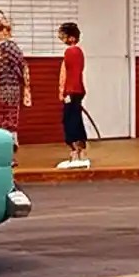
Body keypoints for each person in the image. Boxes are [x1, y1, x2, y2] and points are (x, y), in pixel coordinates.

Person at [0, 11, 30, 163]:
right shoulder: (5, 47)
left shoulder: (7, 47)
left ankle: (10, 152)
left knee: (7, 119)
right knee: (7, 119)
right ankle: (9, 152)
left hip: (8, 86)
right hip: (8, 86)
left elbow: (20, 66)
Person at [57, 21, 90, 169]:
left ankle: (76, 151)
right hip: (76, 90)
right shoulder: (77, 52)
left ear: (71, 37)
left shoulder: (71, 52)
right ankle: (79, 150)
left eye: (63, 35)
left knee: (70, 120)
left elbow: (72, 74)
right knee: (74, 118)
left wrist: (66, 92)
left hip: (72, 90)